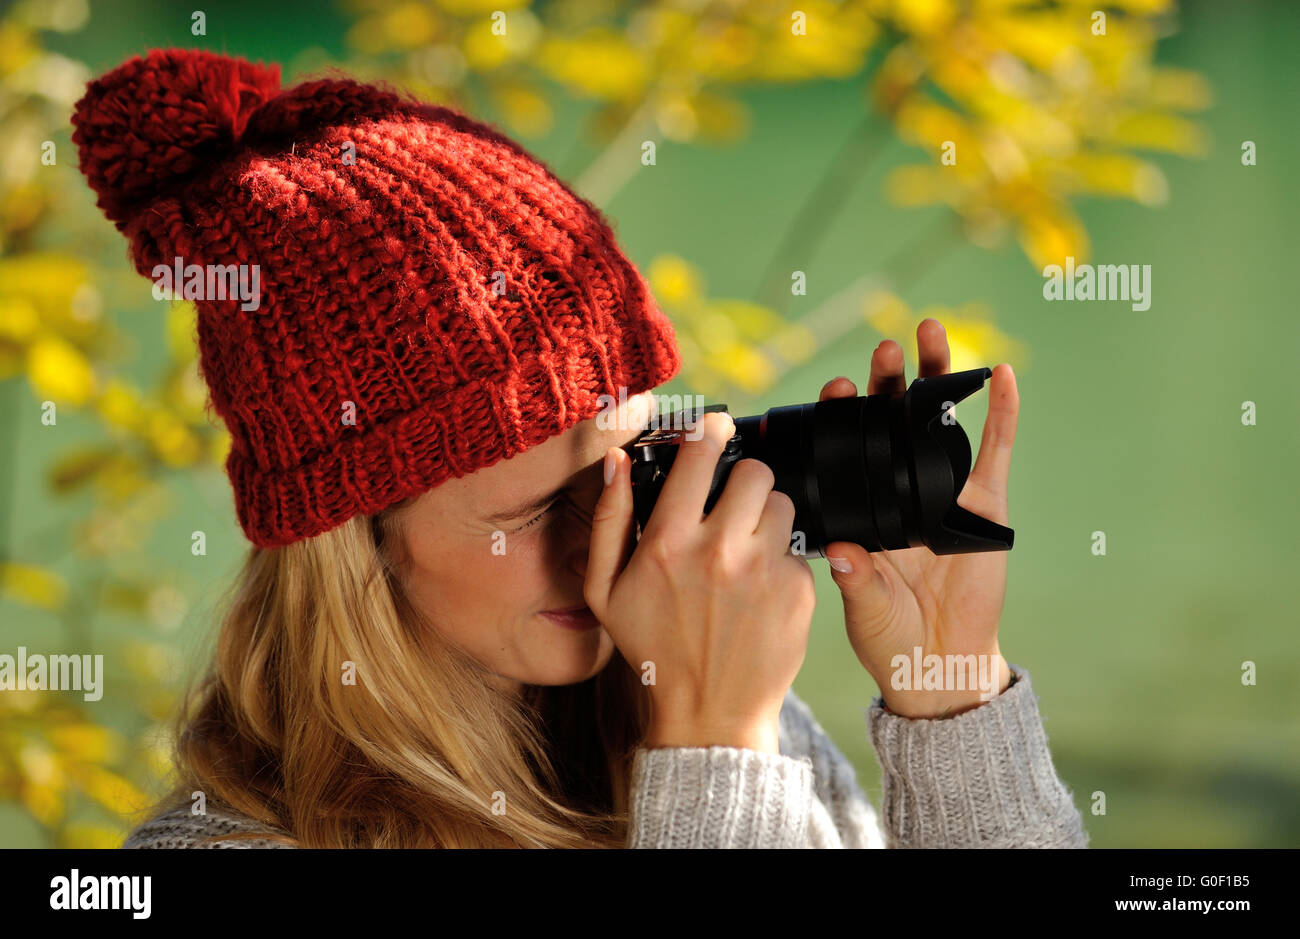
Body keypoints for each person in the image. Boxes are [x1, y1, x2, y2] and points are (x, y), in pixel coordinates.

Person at [72, 47, 1087, 849]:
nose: (612, 529)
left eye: (627, 465)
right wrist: (716, 760)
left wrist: (950, 699)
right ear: (352, 541)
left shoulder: (695, 713)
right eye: (527, 512)